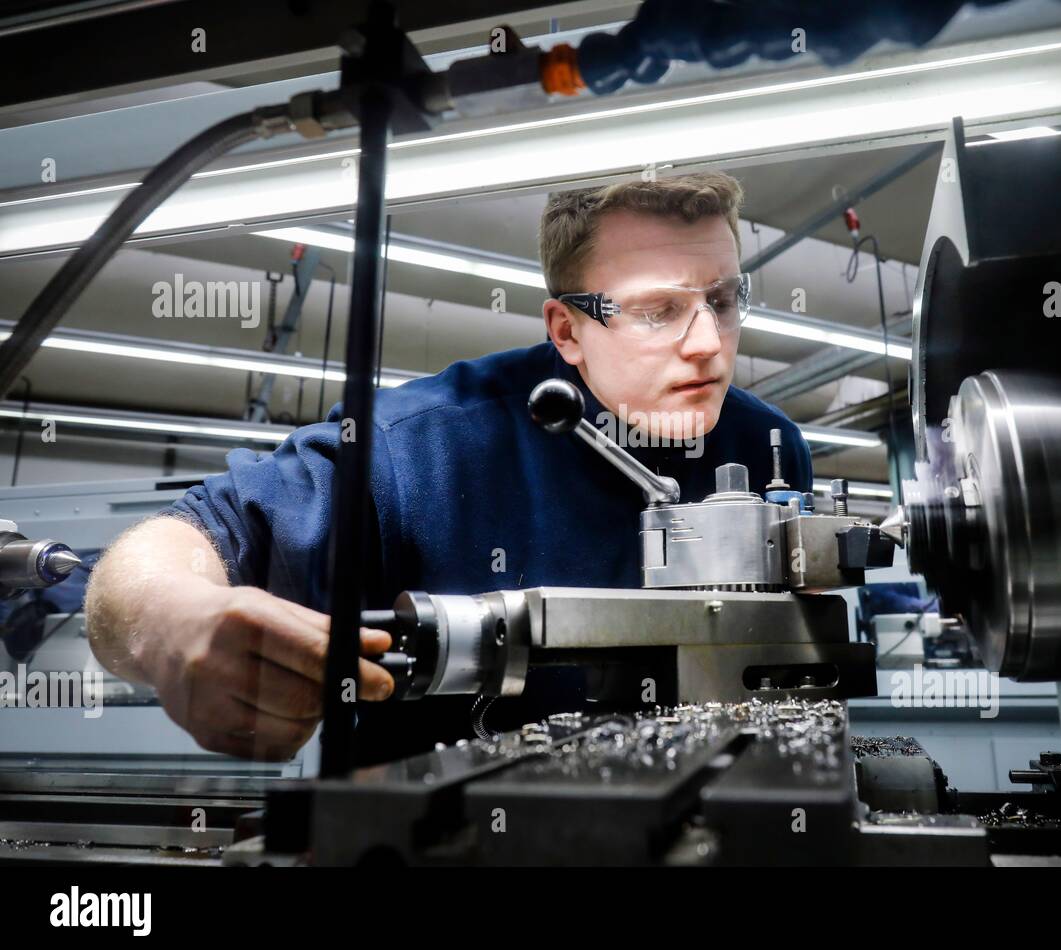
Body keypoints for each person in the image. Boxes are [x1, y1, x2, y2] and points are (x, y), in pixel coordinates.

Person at [84, 171, 813, 763]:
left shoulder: (768, 446)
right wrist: (175, 624)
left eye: (723, 300)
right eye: (659, 311)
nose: (709, 345)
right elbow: (176, 543)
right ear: (567, 329)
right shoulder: (421, 450)